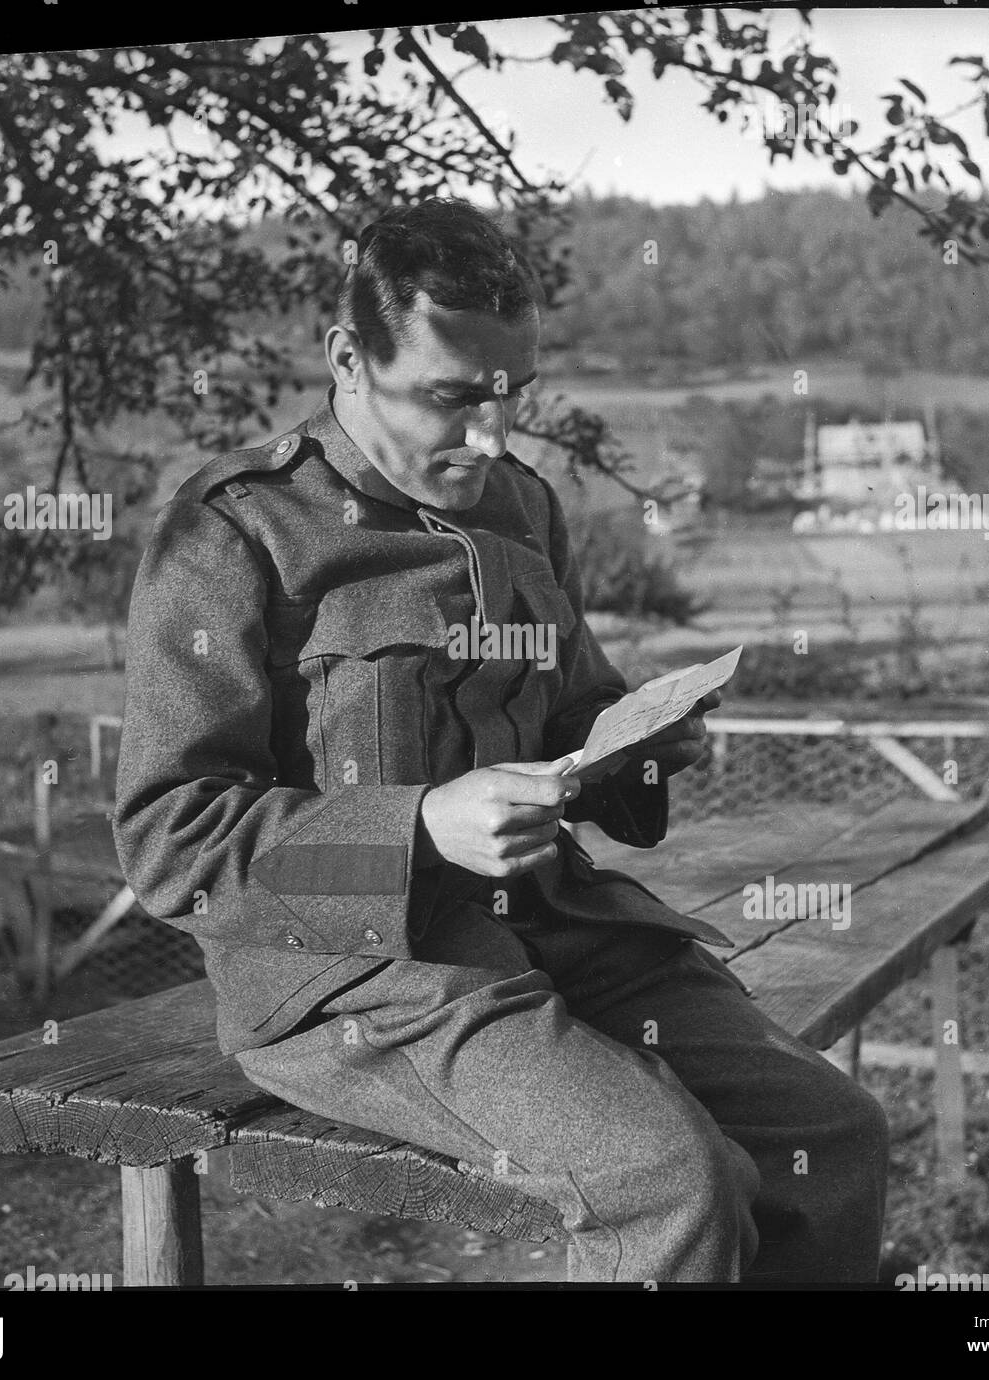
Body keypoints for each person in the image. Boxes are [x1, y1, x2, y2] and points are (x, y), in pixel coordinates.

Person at [112, 197, 888, 1283]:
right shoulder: (236, 530)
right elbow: (173, 847)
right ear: (347, 356)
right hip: (352, 979)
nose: (490, 433)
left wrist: (636, 746)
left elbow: (572, 711)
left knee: (832, 1139)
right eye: (449, 395)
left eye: (507, 394)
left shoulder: (520, 508)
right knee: (669, 1180)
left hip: (559, 927)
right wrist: (423, 826)